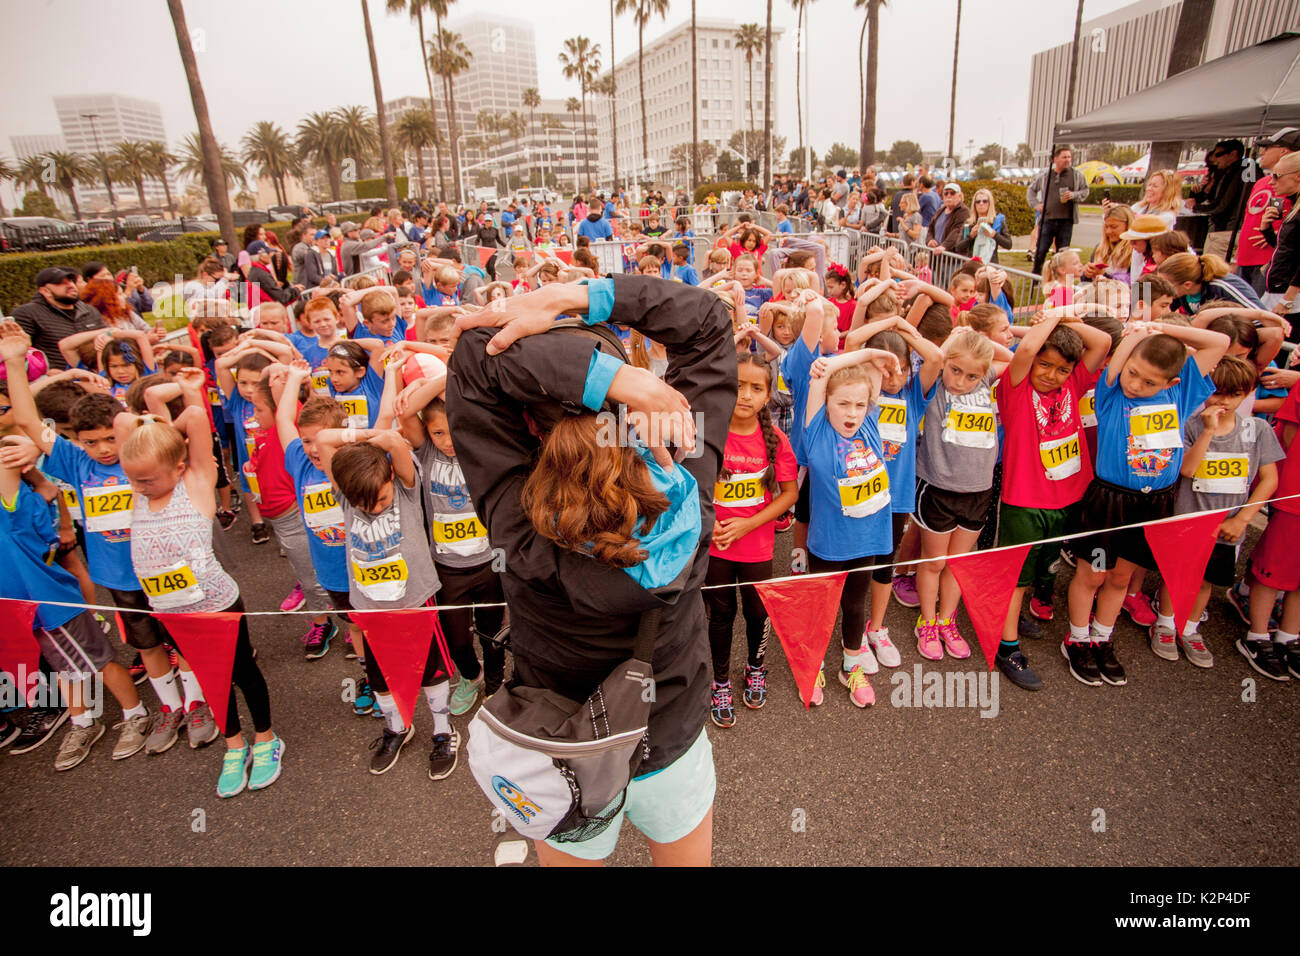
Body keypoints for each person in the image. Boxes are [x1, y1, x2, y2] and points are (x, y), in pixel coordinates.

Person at [448, 275, 734, 866]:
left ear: (530, 420)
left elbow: (474, 354)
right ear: (636, 412)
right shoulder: (692, 483)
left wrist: (609, 378)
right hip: (668, 738)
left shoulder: (515, 521)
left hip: (562, 744)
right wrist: (575, 300)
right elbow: (708, 323)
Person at [2, 322, 220, 755]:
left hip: (167, 570)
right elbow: (27, 419)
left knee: (181, 639)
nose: (103, 450)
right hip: (118, 577)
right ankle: (170, 707)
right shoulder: (72, 461)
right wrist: (12, 359)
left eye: (108, 440)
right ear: (74, 441)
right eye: (90, 442)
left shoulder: (142, 456)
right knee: (147, 644)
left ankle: (198, 702)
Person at [116, 371, 283, 798]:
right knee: (211, 678)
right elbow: (124, 425)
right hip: (173, 611)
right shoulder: (141, 489)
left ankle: (266, 739)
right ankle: (233, 745)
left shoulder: (195, 485)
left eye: (148, 479)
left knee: (242, 671)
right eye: (134, 479)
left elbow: (193, 414)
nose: (139, 486)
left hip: (217, 604)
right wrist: (153, 433)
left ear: (176, 465)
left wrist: (166, 428)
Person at [1064, 321, 1229, 687]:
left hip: (1154, 504)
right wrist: (1139, 334)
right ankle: (1077, 638)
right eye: (1133, 374)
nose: (1136, 385)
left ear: (1170, 384)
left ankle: (1101, 638)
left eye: (1148, 382)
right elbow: (1120, 360)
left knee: (1121, 577)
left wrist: (1164, 327)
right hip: (1109, 501)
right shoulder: (1113, 394)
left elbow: (1219, 342)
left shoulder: (1179, 396)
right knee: (1093, 574)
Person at [0, 430, 152, 770]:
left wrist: (20, 459)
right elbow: (48, 489)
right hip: (25, 607)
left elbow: (27, 476)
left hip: (47, 601)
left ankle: (135, 714)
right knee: (65, 667)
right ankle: (82, 722)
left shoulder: (13, 505)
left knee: (97, 661)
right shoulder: (29, 498)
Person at [994, 308, 1111, 689]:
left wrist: (1065, 324)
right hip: (1025, 500)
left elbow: (1103, 342)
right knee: (1017, 576)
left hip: (1068, 497)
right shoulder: (1016, 388)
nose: (1052, 375)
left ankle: (1012, 619)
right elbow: (1027, 349)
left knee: (1045, 568)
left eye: (1061, 369)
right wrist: (1056, 316)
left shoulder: (1072, 384)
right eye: (1046, 365)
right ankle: (1006, 643)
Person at [1147, 356, 1282, 667]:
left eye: (1235, 394)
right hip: (1188, 520)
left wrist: (1242, 519)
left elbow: (1269, 480)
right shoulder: (1191, 426)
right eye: (1218, 392)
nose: (1224, 401)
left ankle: (1191, 628)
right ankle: (1166, 623)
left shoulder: (1258, 430)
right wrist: (1208, 431)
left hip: (1228, 527)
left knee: (1206, 581)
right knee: (1179, 575)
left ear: (1248, 393)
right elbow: (1187, 470)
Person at [706, 353, 798, 726]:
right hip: (717, 546)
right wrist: (707, 519)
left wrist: (747, 525)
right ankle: (720, 680)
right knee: (721, 615)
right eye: (737, 385)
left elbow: (789, 494)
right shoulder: (708, 433)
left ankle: (755, 667)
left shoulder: (775, 439)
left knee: (758, 612)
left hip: (756, 545)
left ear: (768, 395)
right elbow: (688, 484)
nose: (744, 394)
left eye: (755, 388)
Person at [913, 328, 1013, 660]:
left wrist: (982, 343)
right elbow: (937, 358)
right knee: (934, 562)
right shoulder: (935, 386)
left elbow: (1011, 358)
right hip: (939, 489)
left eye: (972, 375)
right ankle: (926, 622)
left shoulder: (985, 383)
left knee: (958, 564)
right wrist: (954, 341)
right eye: (956, 370)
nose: (961, 380)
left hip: (978, 491)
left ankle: (946, 621)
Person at [1241, 375, 1300, 680]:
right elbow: (1289, 435)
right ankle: (1258, 634)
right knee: (1275, 566)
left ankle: (1289, 635)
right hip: (1296, 494)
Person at [1237, 129, 1299, 295]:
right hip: (1246, 259)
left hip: (1268, 263)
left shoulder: (1289, 183)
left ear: (1283, 151)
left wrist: (1276, 233)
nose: (1262, 152)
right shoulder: (1264, 182)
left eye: (1268, 148)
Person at [12, 266, 106, 372]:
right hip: (56, 381)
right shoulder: (28, 314)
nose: (70, 285)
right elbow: (19, 354)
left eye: (71, 281)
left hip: (98, 376)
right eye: (61, 283)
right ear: (45, 291)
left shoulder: (90, 311)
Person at [1028, 146, 1090, 274]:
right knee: (1041, 250)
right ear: (1055, 159)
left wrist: (1074, 195)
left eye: (1069, 157)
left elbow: (1085, 190)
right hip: (1047, 220)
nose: (1067, 160)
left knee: (1062, 253)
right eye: (1064, 157)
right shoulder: (1046, 176)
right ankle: (1036, 276)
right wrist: (1036, 204)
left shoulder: (1077, 175)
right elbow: (1031, 190)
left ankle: (1060, 278)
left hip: (1066, 221)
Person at [1189, 139, 1249, 261]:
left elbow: (1222, 204)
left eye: (1218, 155)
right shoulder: (1246, 170)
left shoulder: (1235, 173)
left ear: (1233, 154)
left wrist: (1195, 207)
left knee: (1214, 272)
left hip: (1224, 232)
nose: (1216, 160)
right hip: (1237, 230)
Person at [955, 188, 1011, 263]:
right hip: (972, 265)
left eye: (985, 201)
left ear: (990, 203)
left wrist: (994, 234)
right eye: (978, 202)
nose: (981, 204)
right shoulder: (969, 223)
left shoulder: (997, 221)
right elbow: (958, 247)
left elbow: (1008, 244)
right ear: (974, 204)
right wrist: (971, 236)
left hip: (990, 265)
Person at [927, 183, 972, 252]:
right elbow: (930, 227)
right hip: (935, 255)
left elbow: (957, 230)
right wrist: (930, 240)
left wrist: (944, 246)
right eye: (946, 193)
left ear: (959, 196)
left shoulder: (963, 211)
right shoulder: (940, 210)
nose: (949, 196)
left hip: (951, 256)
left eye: (952, 193)